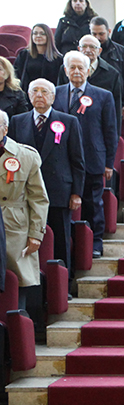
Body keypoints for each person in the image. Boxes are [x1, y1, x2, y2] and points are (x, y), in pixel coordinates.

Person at [10, 78, 85, 282]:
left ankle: (64, 285)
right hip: (26, 194)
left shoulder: (69, 121)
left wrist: (76, 193)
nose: (40, 95)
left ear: (53, 97)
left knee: (60, 240)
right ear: (28, 95)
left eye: (45, 91)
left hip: (59, 192)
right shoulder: (18, 121)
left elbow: (77, 160)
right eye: (35, 91)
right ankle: (33, 285)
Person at [52, 51, 117, 257]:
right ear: (65, 70)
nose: (77, 71)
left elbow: (110, 131)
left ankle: (95, 243)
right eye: (72, 67)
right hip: (62, 162)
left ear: (89, 71)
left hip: (93, 159)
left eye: (81, 67)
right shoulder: (55, 93)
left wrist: (108, 163)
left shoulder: (103, 96)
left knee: (93, 204)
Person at [0, 110, 48, 335]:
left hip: (14, 225)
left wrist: (36, 234)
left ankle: (16, 337)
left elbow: (38, 198)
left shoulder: (26, 155)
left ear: (5, 129)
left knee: (17, 281)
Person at [67, 35, 123, 134]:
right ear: (78, 48)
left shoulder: (112, 73)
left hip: (96, 129)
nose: (87, 50)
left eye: (92, 47)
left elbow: (116, 109)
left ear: (100, 51)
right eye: (84, 46)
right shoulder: (66, 69)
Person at [90, 17, 124, 119]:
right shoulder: (83, 54)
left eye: (101, 34)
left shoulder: (121, 51)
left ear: (109, 31)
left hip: (114, 100)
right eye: (94, 34)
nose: (97, 38)